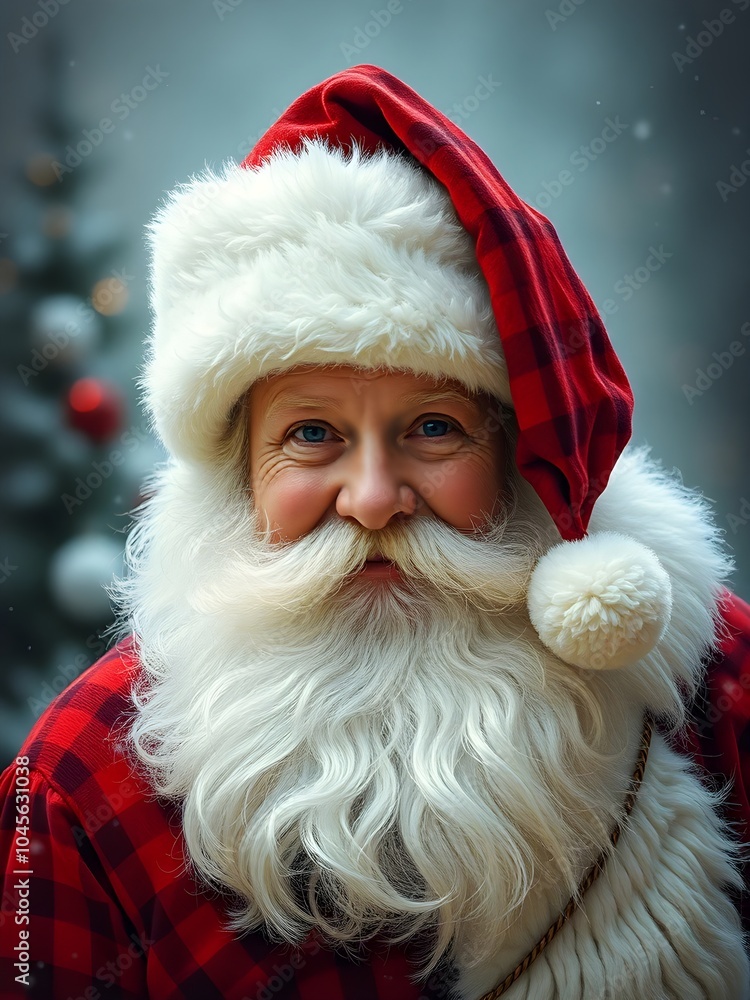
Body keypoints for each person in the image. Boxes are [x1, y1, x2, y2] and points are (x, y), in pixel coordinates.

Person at [1, 64, 749, 1000]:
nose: (372, 497)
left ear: (516, 447)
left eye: (434, 428)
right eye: (311, 434)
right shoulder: (75, 775)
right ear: (237, 466)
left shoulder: (712, 683)